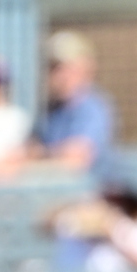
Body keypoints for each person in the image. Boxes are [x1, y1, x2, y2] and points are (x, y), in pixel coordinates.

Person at [33, 32, 115, 173]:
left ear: (87, 68)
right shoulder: (51, 110)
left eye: (68, 67)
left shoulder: (92, 107)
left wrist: (42, 154)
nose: (61, 76)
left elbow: (77, 157)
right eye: (53, 68)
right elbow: (29, 148)